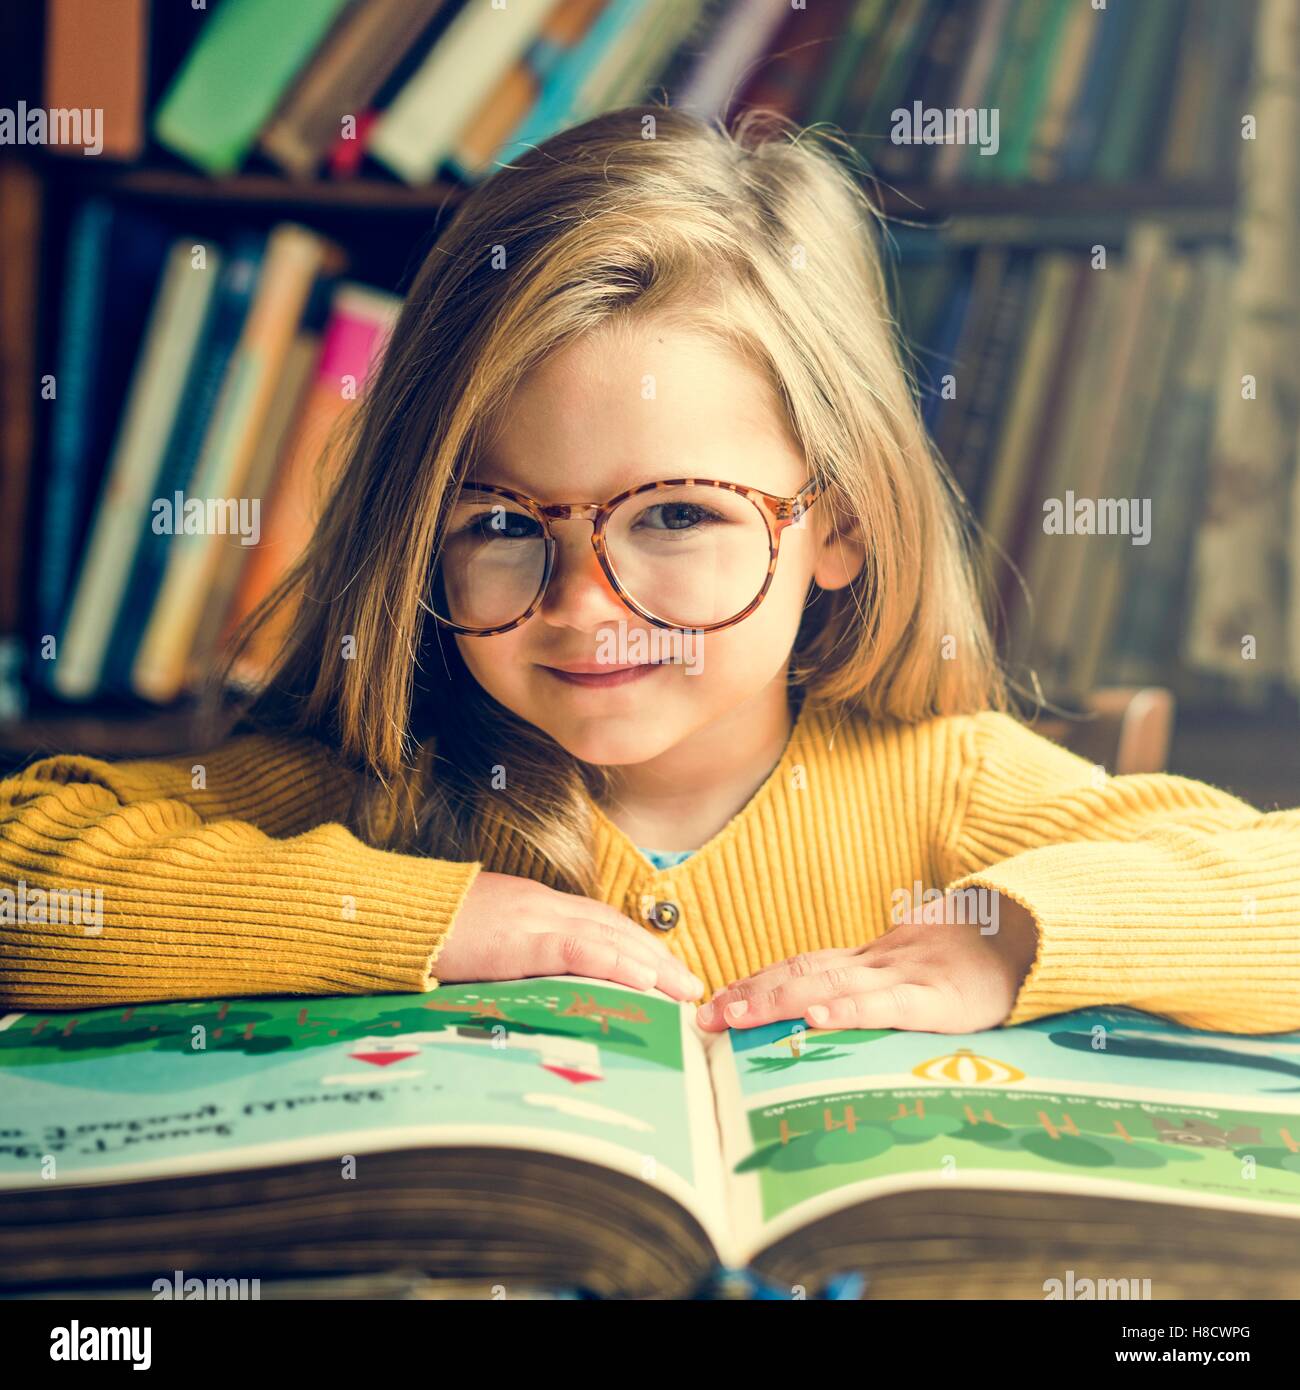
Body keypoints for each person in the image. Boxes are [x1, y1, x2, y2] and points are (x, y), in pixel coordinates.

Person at [2, 106, 1296, 1037]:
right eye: (503, 522)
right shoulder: (379, 784)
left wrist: (1004, 940)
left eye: (676, 513)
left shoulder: (943, 786)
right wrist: (428, 920)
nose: (582, 605)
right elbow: (22, 869)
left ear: (835, 521)